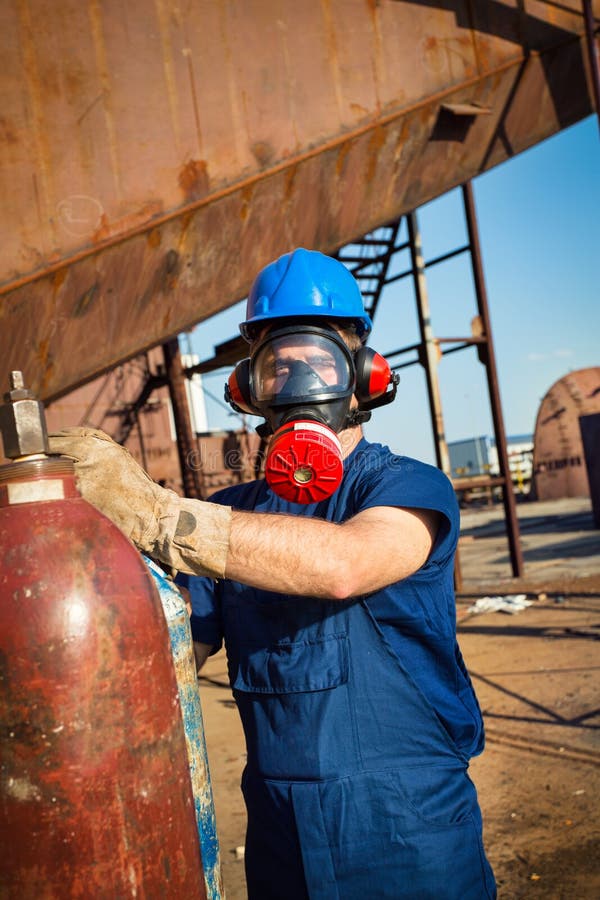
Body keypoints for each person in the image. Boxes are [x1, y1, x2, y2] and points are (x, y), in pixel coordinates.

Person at [50, 248, 496, 899]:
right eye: (276, 369)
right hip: (282, 841)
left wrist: (157, 515)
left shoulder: (408, 488)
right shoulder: (227, 519)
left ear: (362, 376)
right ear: (246, 389)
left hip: (409, 835)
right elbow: (163, 654)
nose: (297, 387)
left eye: (316, 364)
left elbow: (346, 565)